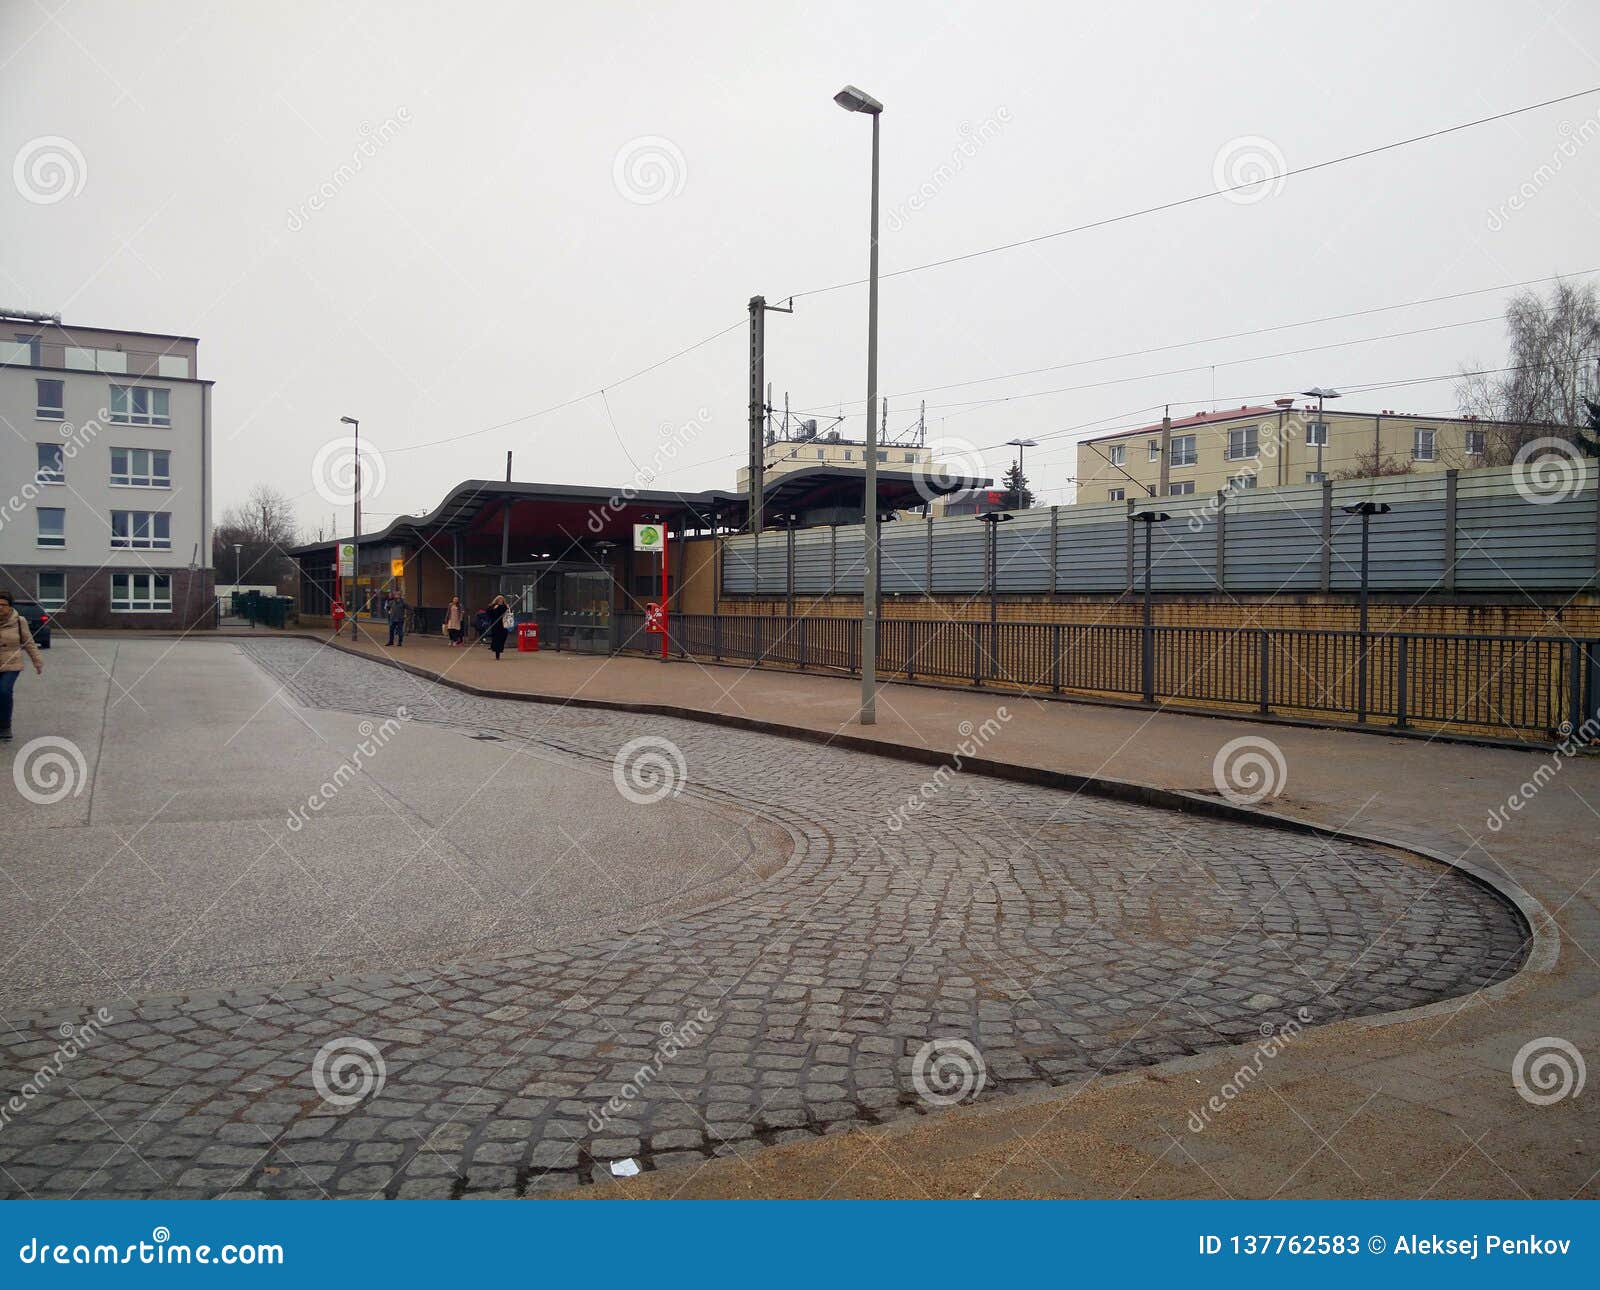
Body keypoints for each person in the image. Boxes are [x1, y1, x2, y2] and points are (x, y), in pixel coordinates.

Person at [0, 590, 45, 742]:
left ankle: (5, 726)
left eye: (3, 605)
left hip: (12, 664)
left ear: (10, 606)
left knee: (4, 691)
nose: (0, 607)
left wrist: (37, 662)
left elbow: (29, 643)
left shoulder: (19, 621)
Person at [485, 594, 512, 660]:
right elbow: (489, 613)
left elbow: (507, 613)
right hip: (495, 624)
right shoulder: (493, 606)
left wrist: (507, 607)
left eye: (502, 600)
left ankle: (499, 647)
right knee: (496, 638)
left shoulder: (504, 606)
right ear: (496, 600)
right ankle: (497, 653)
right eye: (499, 600)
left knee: (504, 635)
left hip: (503, 624)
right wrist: (494, 608)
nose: (500, 601)